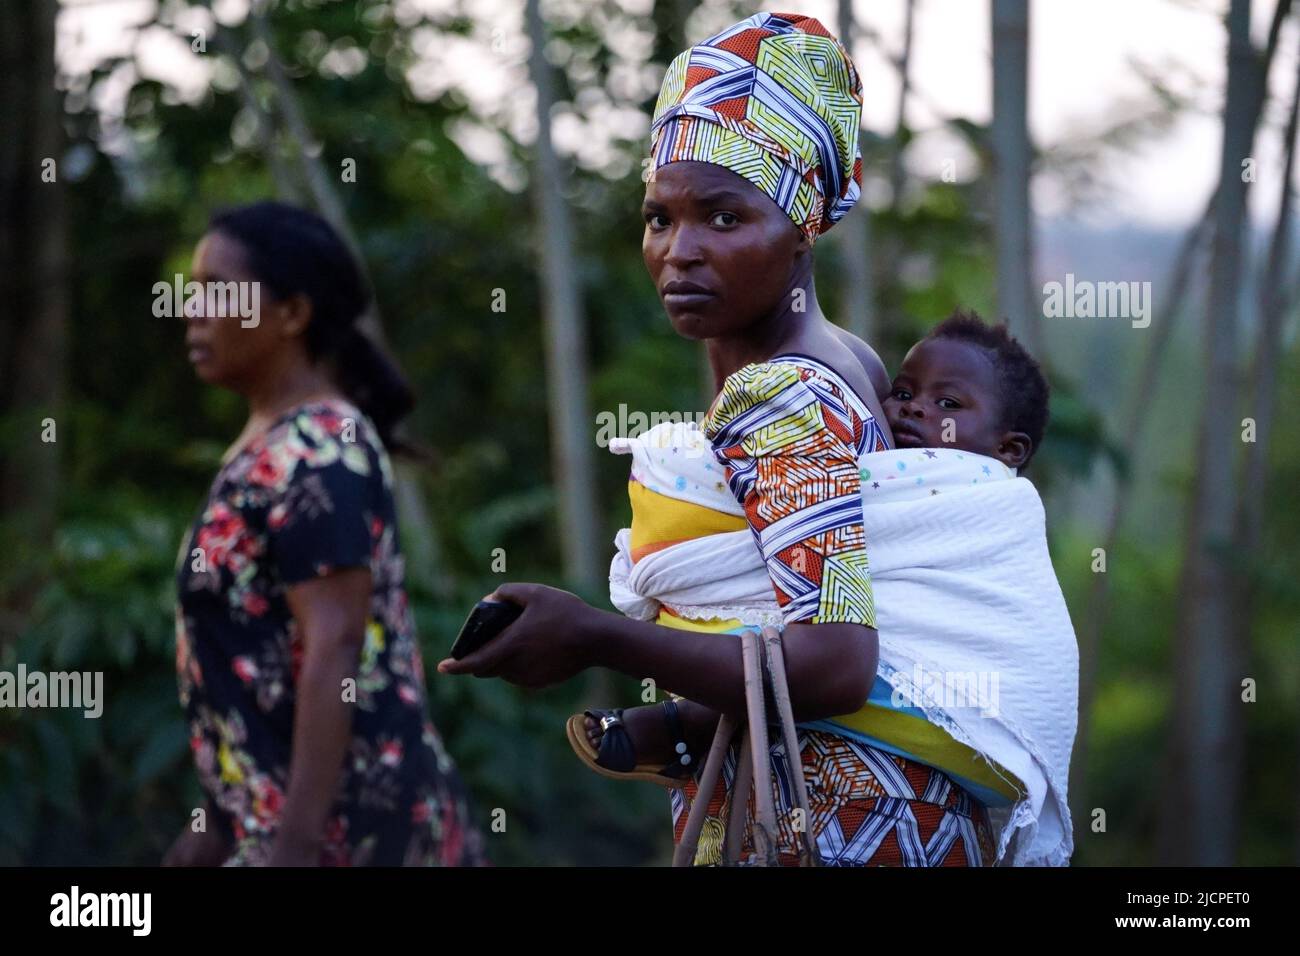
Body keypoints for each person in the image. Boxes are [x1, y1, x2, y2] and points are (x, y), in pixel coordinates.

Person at [440, 13, 1003, 866]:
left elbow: (835, 661)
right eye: (659, 217)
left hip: (835, 824)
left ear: (804, 220)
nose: (680, 252)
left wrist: (594, 636)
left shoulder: (777, 393)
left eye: (724, 219)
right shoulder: (847, 357)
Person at [164, 201, 484, 867]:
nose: (193, 310)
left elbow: (333, 642)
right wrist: (217, 823)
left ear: (291, 313)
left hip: (355, 831)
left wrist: (294, 848)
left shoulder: (322, 448)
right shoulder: (267, 446)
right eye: (192, 293)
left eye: (219, 292)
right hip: (277, 826)